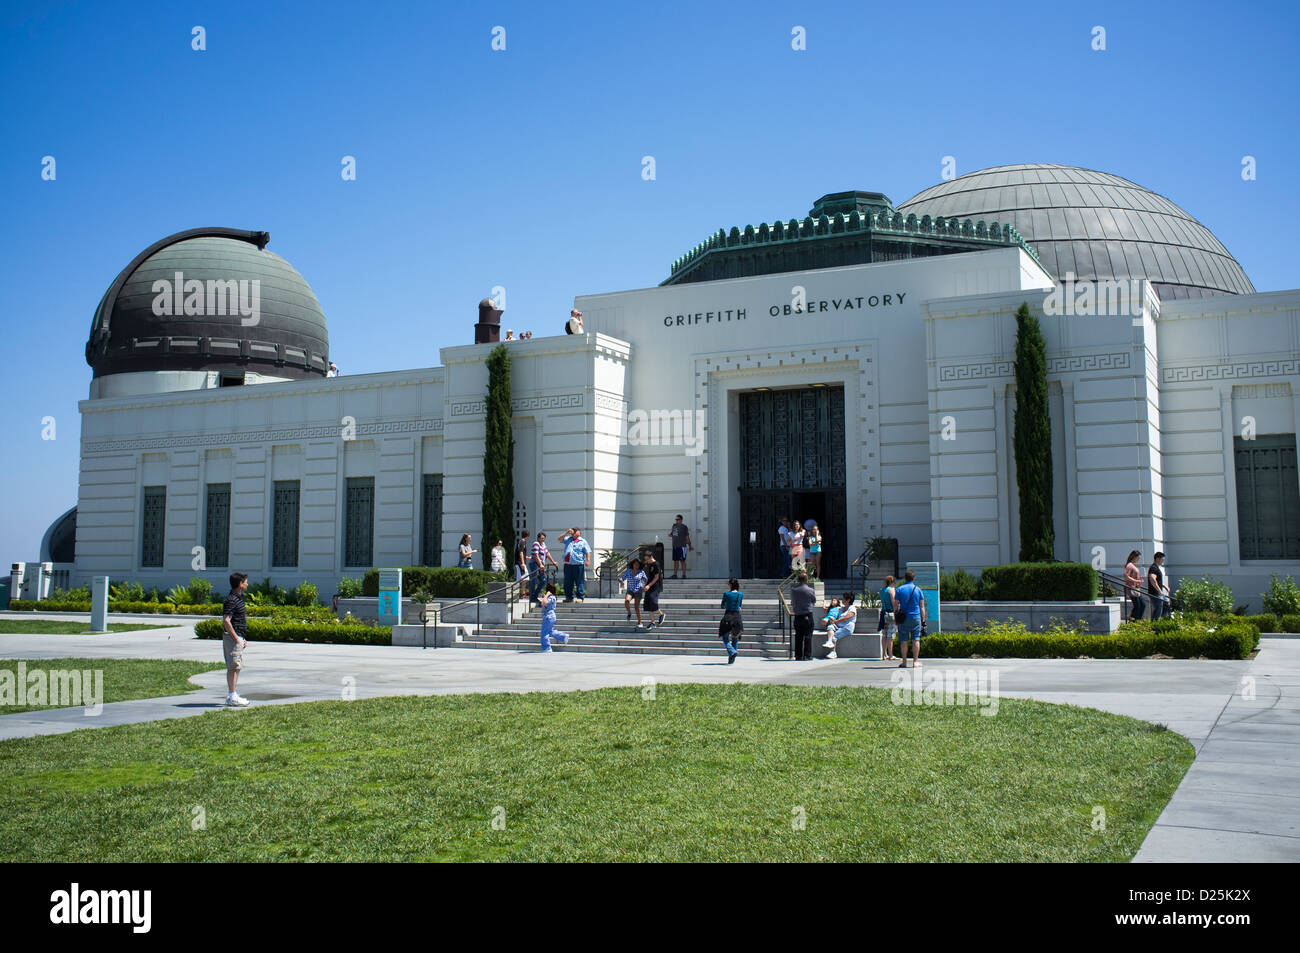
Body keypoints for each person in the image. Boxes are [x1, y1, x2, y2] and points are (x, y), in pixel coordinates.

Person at [221, 572, 251, 707]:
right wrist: (236, 638)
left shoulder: (239, 598)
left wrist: (241, 638)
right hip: (232, 638)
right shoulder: (231, 599)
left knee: (237, 666)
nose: (247, 584)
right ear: (240, 584)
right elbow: (226, 621)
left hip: (238, 636)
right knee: (233, 666)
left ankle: (233, 694)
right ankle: (232, 695)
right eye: (245, 582)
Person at [894, 569, 927, 668]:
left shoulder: (899, 589)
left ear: (904, 578)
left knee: (903, 641)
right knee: (915, 639)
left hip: (903, 618)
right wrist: (923, 620)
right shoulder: (918, 590)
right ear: (913, 578)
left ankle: (904, 662)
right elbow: (922, 607)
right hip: (915, 617)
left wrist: (896, 618)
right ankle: (915, 662)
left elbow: (895, 606)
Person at [821, 593, 858, 660]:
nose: (842, 600)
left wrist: (835, 621)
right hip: (839, 626)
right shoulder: (841, 608)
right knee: (830, 627)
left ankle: (833, 653)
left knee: (834, 636)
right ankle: (829, 641)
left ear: (848, 600)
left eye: (843, 599)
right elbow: (831, 609)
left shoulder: (852, 608)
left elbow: (846, 618)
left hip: (847, 628)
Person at [790, 571, 817, 661]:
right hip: (807, 614)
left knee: (798, 636)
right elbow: (814, 600)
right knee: (808, 636)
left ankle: (798, 655)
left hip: (797, 615)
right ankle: (807, 655)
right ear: (806, 580)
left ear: (798, 580)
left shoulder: (794, 590)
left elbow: (792, 602)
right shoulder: (810, 590)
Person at [561, 527, 592, 602]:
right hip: (568, 564)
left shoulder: (583, 541)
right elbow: (559, 539)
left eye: (576, 531)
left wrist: (588, 560)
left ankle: (580, 597)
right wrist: (566, 533)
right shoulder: (568, 539)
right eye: (573, 531)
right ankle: (569, 597)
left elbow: (587, 551)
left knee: (579, 581)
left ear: (579, 533)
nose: (574, 533)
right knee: (568, 581)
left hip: (578, 564)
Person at [719, 578, 744, 664]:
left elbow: (722, 605)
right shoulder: (740, 594)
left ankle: (732, 652)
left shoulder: (726, 594)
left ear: (730, 585)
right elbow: (739, 606)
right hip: (737, 617)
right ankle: (731, 660)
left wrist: (726, 605)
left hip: (728, 616)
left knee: (725, 637)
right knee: (735, 638)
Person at [538, 584, 569, 653]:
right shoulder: (551, 598)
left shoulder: (551, 597)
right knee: (550, 631)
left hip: (548, 617)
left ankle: (547, 647)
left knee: (544, 633)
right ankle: (563, 636)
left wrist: (546, 595)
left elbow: (544, 603)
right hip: (550, 617)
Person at [529, 532, 558, 604]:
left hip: (541, 564)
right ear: (538, 538)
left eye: (544, 539)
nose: (543, 540)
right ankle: (532, 598)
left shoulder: (543, 544)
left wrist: (553, 562)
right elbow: (536, 555)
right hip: (535, 564)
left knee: (543, 581)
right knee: (534, 580)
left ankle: (535, 596)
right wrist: (540, 565)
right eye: (541, 538)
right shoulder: (536, 544)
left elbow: (547, 553)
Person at [621, 558, 648, 628]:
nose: (636, 566)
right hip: (630, 589)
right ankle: (629, 612)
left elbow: (646, 580)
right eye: (635, 564)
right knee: (627, 601)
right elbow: (623, 578)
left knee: (636, 607)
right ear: (632, 564)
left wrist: (646, 586)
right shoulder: (628, 571)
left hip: (638, 590)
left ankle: (640, 622)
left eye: (638, 565)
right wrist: (620, 580)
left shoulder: (641, 572)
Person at [642, 550, 666, 628]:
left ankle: (661, 614)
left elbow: (656, 577)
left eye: (647, 559)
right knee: (648, 603)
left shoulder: (656, 564)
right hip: (649, 585)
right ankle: (652, 622)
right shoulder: (649, 564)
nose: (646, 560)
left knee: (653, 601)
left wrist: (649, 585)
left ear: (651, 557)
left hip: (656, 586)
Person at [878, 575, 899, 660]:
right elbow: (894, 603)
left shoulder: (882, 590)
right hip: (890, 613)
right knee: (890, 635)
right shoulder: (891, 590)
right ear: (892, 582)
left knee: (884, 634)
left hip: (883, 613)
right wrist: (896, 613)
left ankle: (884, 654)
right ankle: (890, 655)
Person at [1124, 550, 1145, 621]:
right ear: (1134, 557)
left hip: (1135, 588)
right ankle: (1133, 621)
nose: (1138, 560)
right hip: (1131, 588)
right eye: (1138, 558)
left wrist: (1138, 582)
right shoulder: (1129, 565)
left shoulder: (1132, 565)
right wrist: (1137, 581)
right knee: (1138, 606)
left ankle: (1137, 620)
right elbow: (1126, 576)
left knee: (1142, 605)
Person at [1148, 552, 1169, 621]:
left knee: (1166, 605)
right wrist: (1159, 591)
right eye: (1162, 560)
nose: (1163, 561)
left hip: (1158, 592)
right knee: (1158, 608)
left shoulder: (1156, 567)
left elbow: (1157, 580)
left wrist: (1164, 586)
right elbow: (1152, 579)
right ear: (1157, 559)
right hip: (1155, 593)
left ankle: (1160, 620)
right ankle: (1155, 623)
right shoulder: (1153, 568)